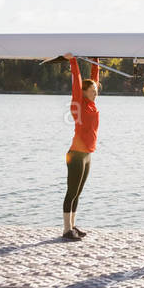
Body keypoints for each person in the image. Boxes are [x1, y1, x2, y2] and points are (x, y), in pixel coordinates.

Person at [62, 53, 101, 242]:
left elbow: (94, 80)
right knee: (71, 191)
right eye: (92, 90)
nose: (96, 92)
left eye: (96, 90)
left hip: (87, 155)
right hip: (76, 155)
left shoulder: (92, 105)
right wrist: (73, 61)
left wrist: (96, 63)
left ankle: (73, 226)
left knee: (78, 192)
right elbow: (77, 83)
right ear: (84, 92)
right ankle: (66, 229)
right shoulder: (78, 104)